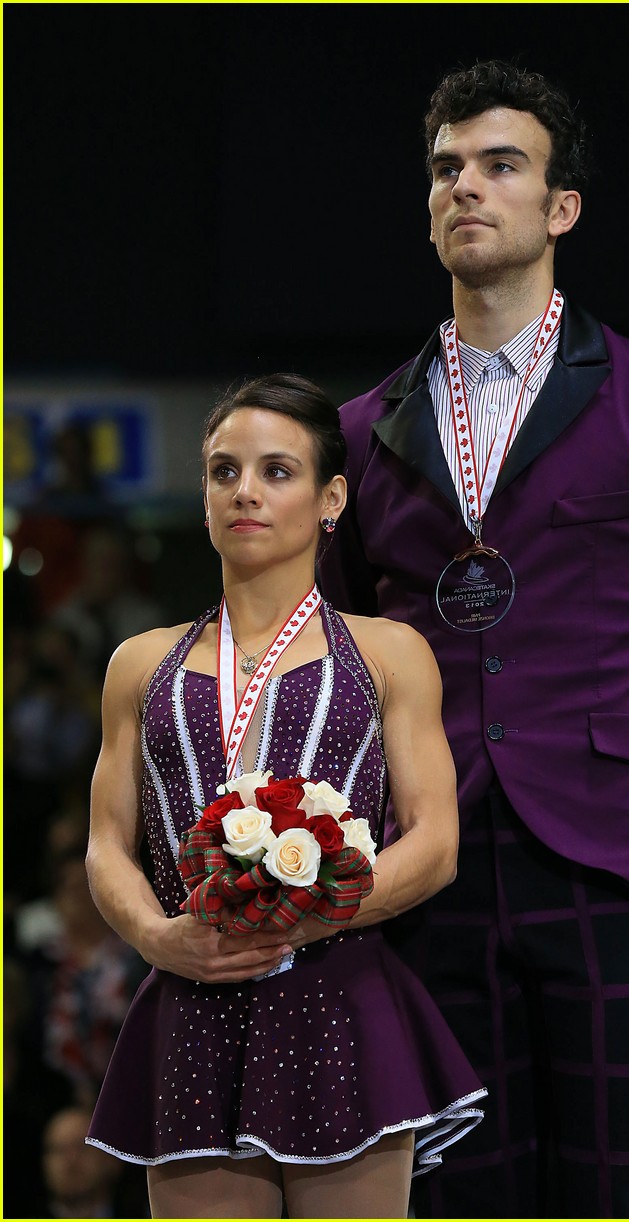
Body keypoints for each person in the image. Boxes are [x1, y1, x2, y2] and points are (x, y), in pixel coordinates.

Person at [319, 60, 629, 1218]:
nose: (465, 187)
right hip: (429, 868)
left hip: (616, 859)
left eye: (499, 165)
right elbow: (332, 654)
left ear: (560, 207)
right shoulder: (363, 428)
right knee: (467, 1202)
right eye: (445, 170)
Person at [84, 373, 486, 1219]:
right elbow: (107, 847)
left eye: (276, 471)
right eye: (224, 472)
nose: (245, 493)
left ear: (331, 497)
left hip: (342, 1000)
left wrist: (313, 916)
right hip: (192, 998)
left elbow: (435, 842)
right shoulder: (137, 663)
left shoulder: (389, 652)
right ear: (202, 499)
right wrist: (161, 936)